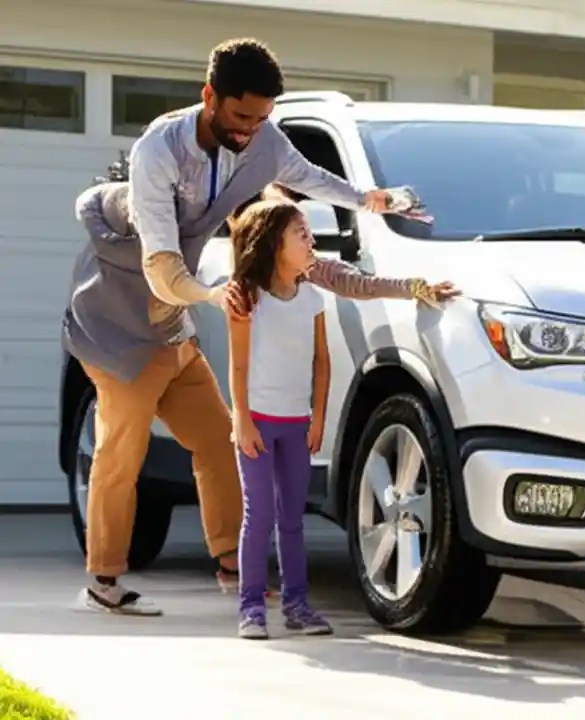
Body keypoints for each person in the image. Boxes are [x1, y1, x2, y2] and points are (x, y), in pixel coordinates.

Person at [65, 37, 458, 616]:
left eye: (264, 118)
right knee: (121, 455)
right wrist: (209, 294)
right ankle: (103, 582)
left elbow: (309, 176)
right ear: (210, 97)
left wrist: (369, 200)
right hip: (118, 322)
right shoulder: (160, 151)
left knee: (219, 442)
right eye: (243, 116)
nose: (252, 129)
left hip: (172, 328)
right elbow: (160, 263)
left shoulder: (263, 143)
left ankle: (233, 563)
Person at [227, 198, 334, 638]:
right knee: (260, 517)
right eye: (301, 234)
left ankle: (298, 604)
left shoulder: (312, 298)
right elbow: (237, 367)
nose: (311, 241)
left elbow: (322, 363)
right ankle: (251, 608)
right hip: (257, 421)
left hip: (296, 424)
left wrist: (318, 419)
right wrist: (242, 422)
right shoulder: (248, 298)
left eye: (309, 233)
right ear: (275, 243)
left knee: (292, 519)